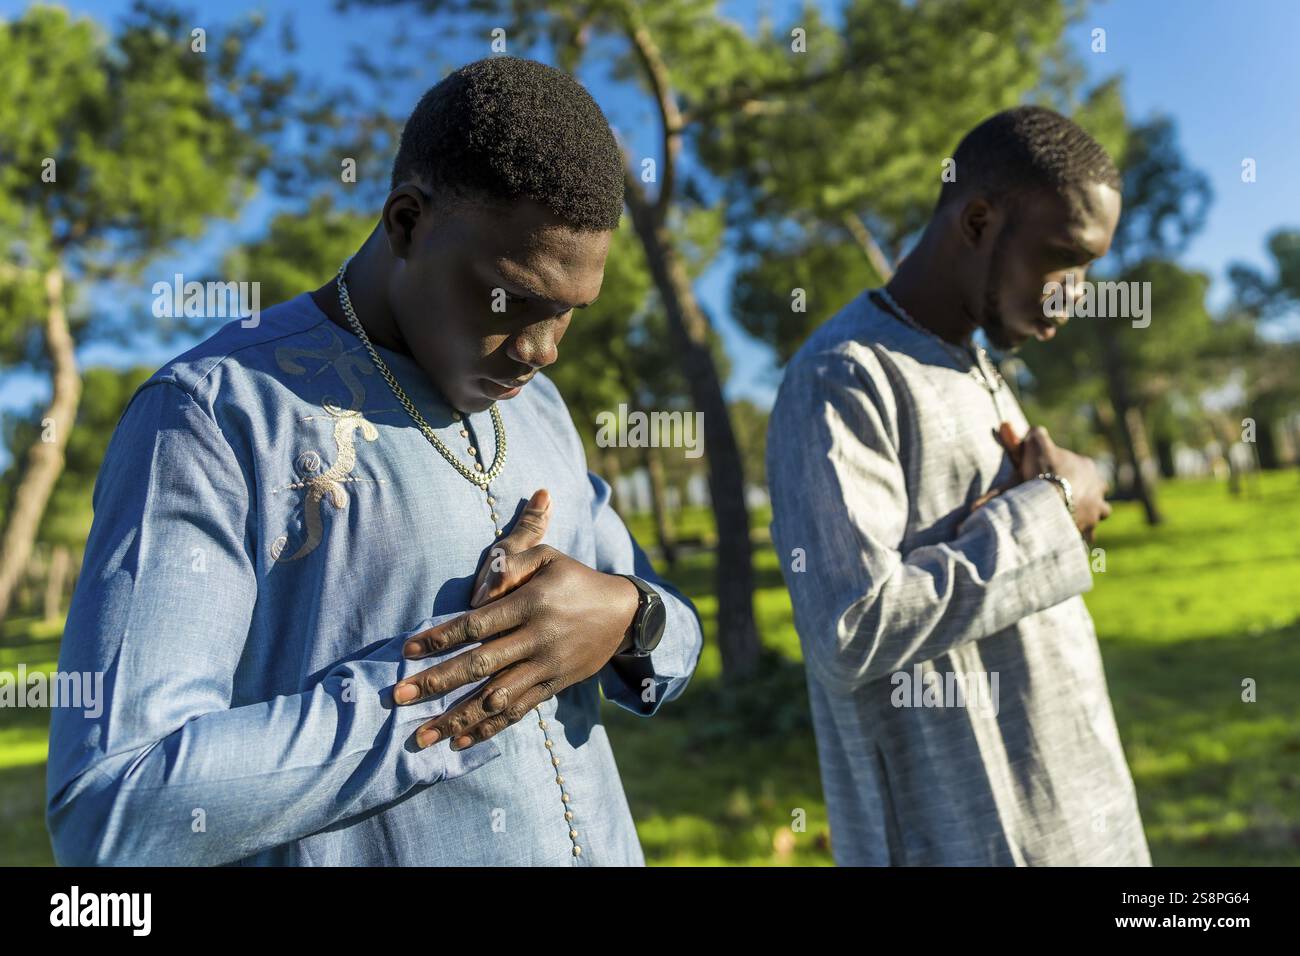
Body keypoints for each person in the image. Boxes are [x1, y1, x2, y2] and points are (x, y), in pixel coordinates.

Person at [47, 55, 702, 866]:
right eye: (512, 299)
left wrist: (627, 615)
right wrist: (472, 682)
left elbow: (664, 624)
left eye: (568, 313)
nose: (542, 350)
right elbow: (114, 805)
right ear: (406, 222)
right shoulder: (214, 414)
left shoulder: (542, 410)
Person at [767, 106, 1150, 865]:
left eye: (1088, 272)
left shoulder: (976, 364)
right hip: (966, 834)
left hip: (1078, 813)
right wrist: (1051, 514)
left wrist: (1055, 500)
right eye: (1063, 259)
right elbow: (849, 628)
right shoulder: (845, 375)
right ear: (977, 221)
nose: (1075, 293)